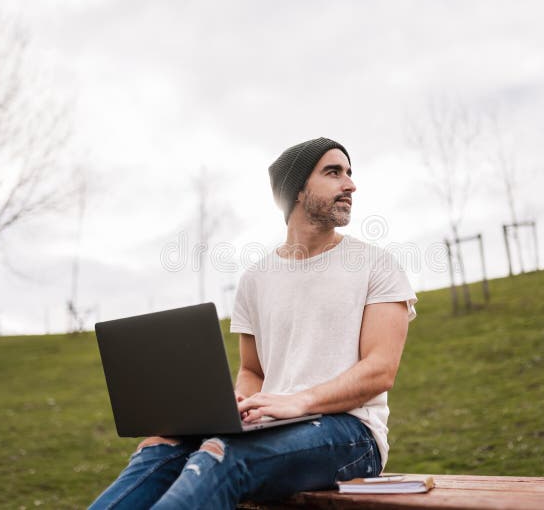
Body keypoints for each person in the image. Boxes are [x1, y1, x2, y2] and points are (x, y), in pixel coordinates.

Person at [89, 137, 417, 509]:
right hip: (273, 426)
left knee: (220, 453)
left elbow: (379, 371)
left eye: (349, 173)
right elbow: (252, 370)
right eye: (333, 172)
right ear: (296, 189)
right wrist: (237, 406)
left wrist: (301, 401)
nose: (350, 184)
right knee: (158, 452)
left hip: (352, 434)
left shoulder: (377, 264)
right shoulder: (256, 279)